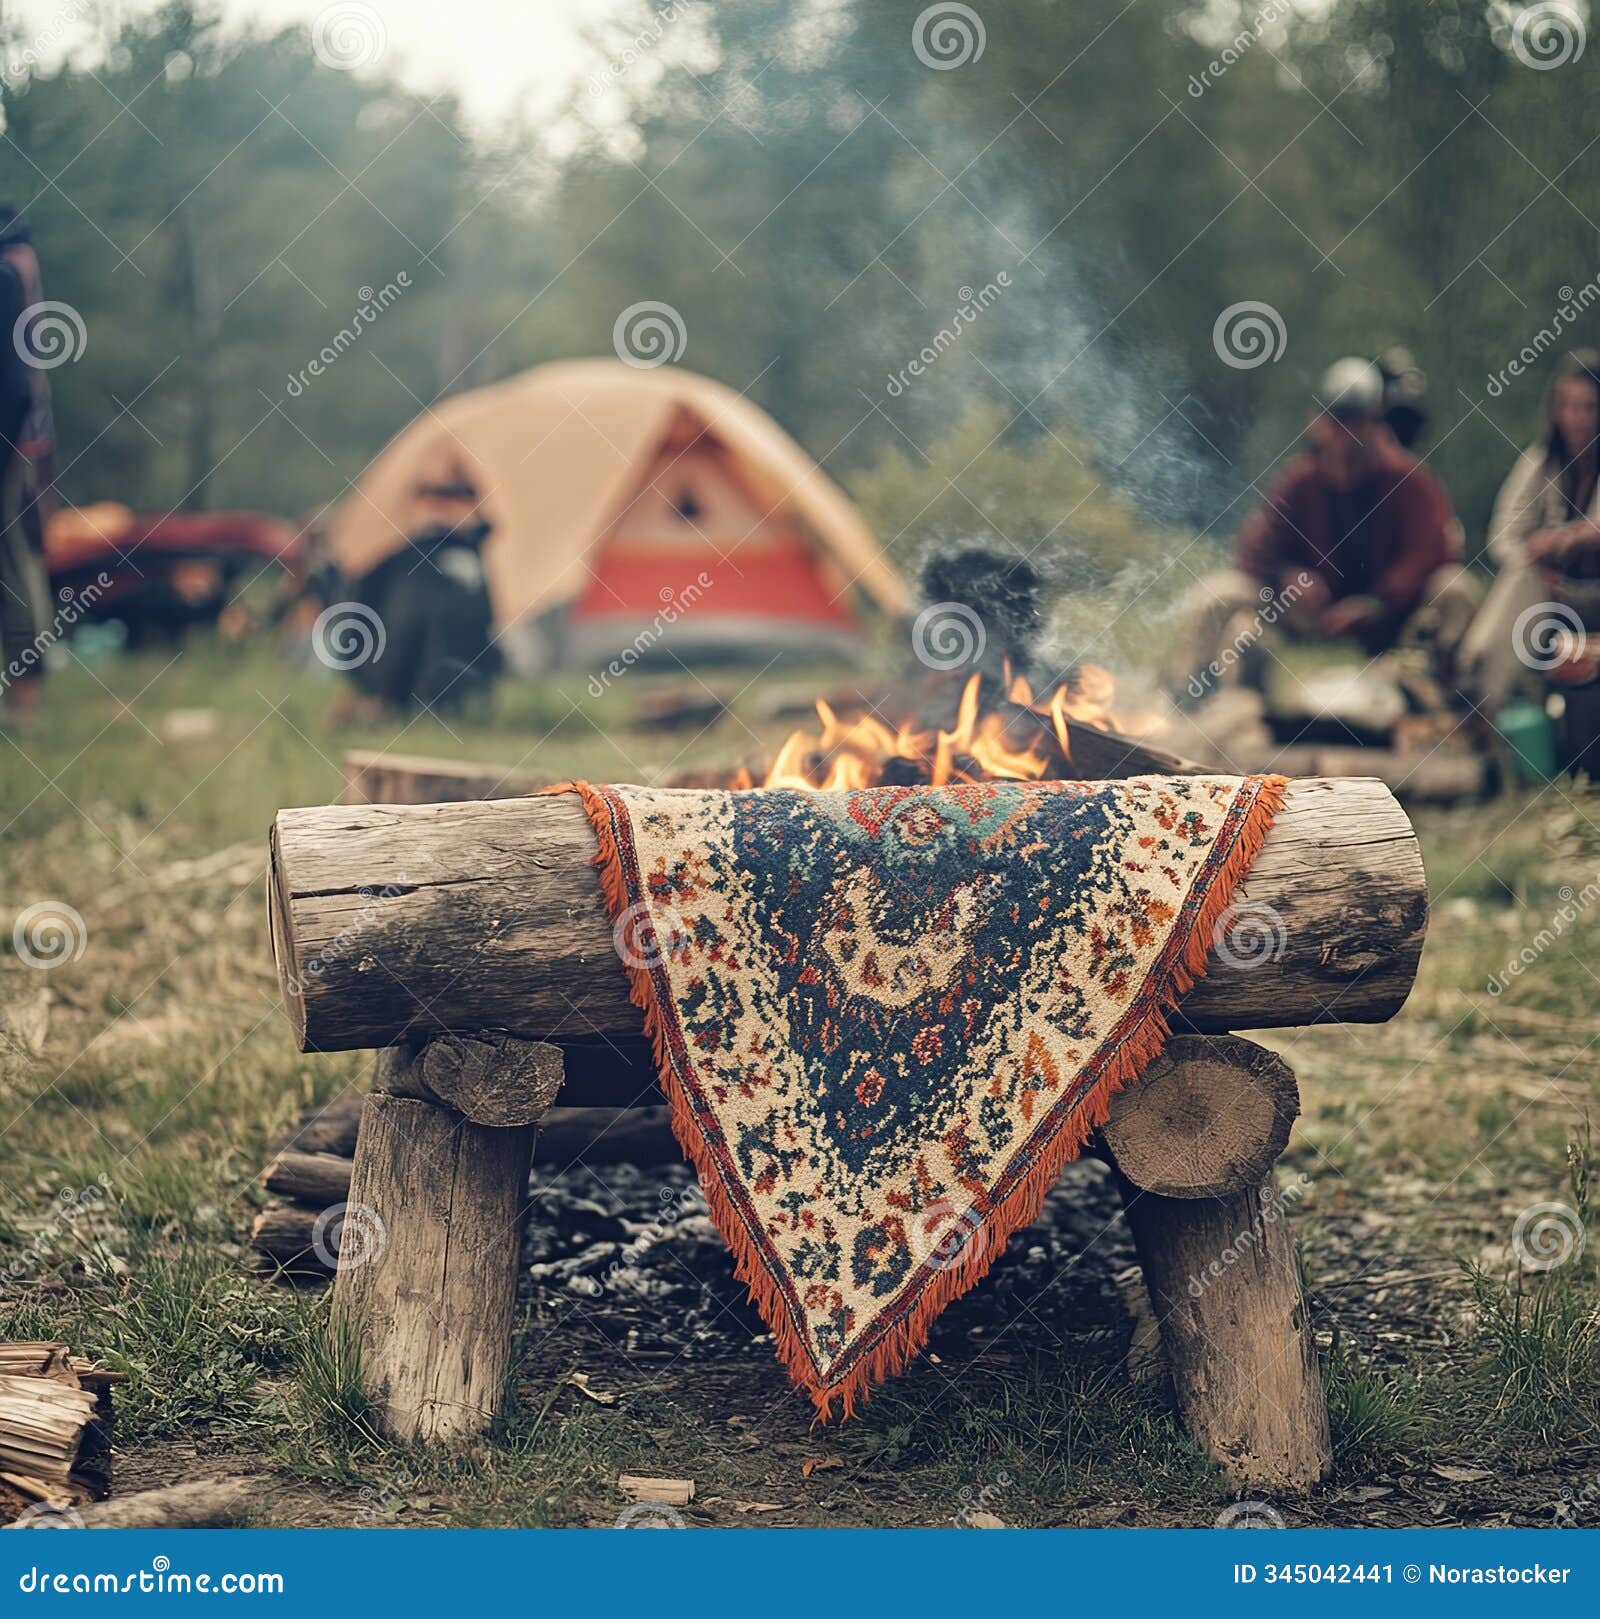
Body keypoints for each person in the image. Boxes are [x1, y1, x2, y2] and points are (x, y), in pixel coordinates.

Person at [1168, 358, 1479, 704]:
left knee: (1456, 587)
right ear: (1318, 422)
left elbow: (1433, 551)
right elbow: (1255, 550)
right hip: (1311, 616)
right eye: (1336, 421)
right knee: (1221, 593)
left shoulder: (1407, 480)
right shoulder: (1301, 478)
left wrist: (1380, 602)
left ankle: (1454, 706)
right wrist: (1288, 577)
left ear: (1374, 424)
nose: (1344, 434)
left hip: (1389, 621)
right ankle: (1186, 700)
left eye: (1355, 422)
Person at [1460, 349, 1600, 714]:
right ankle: (1481, 687)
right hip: (1555, 593)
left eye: (1588, 407)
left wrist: (1564, 539)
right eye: (1569, 406)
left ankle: (1477, 685)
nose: (1578, 419)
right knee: (1524, 577)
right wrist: (1534, 555)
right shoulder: (1542, 462)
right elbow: (1503, 535)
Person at [0, 223, 47, 728]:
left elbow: (17, 389)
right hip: (14, 443)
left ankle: (26, 699)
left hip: (6, 448)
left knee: (12, 563)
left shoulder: (6, 279)